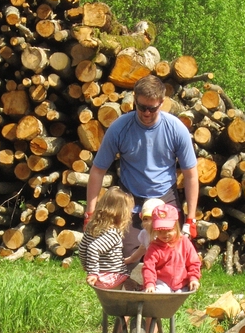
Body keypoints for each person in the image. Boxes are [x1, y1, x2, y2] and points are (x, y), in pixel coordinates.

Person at [85, 75, 200, 260]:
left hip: (164, 196)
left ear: (162, 103)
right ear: (134, 100)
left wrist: (191, 219)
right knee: (127, 258)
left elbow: (191, 175)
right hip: (131, 199)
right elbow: (98, 171)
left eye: (152, 109)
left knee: (171, 257)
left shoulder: (176, 129)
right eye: (142, 107)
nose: (146, 113)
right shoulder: (119, 128)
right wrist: (89, 212)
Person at [78, 187, 133, 289]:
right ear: (121, 213)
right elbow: (93, 248)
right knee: (133, 279)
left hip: (100, 277)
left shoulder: (92, 226)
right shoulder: (113, 232)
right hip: (112, 276)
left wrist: (86, 266)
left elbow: (82, 247)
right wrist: (93, 272)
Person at [141, 204, 201, 294]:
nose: (165, 235)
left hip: (182, 282)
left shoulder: (184, 242)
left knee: (180, 294)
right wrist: (150, 284)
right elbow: (149, 267)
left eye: (169, 230)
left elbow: (194, 262)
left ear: (176, 226)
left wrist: (193, 278)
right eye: (160, 231)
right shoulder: (154, 247)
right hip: (162, 282)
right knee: (160, 293)